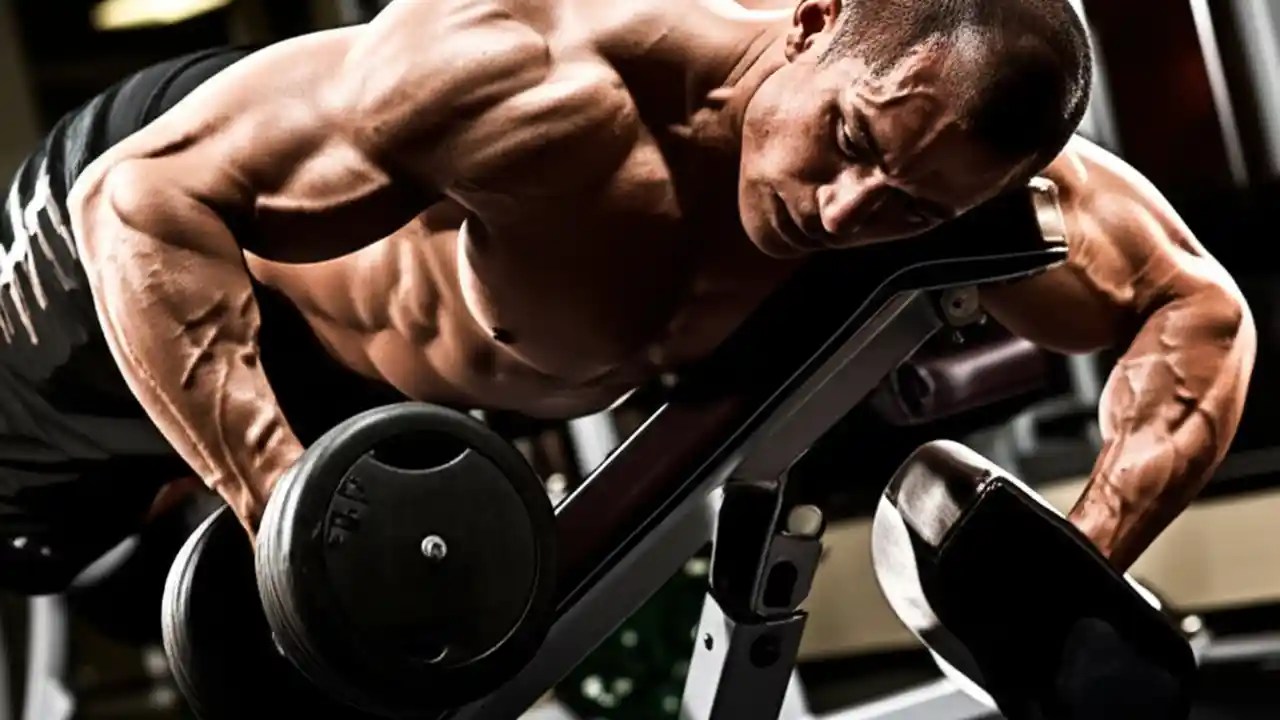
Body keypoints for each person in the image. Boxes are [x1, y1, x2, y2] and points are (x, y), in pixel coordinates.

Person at [0, 0, 1255, 595]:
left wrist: (1077, 562)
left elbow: (1196, 312)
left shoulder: (969, 167)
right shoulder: (532, 74)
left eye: (911, 211)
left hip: (377, 391)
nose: (842, 214)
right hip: (114, 254)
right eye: (849, 143)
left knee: (101, 581)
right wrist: (291, 516)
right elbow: (143, 202)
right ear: (815, 21)